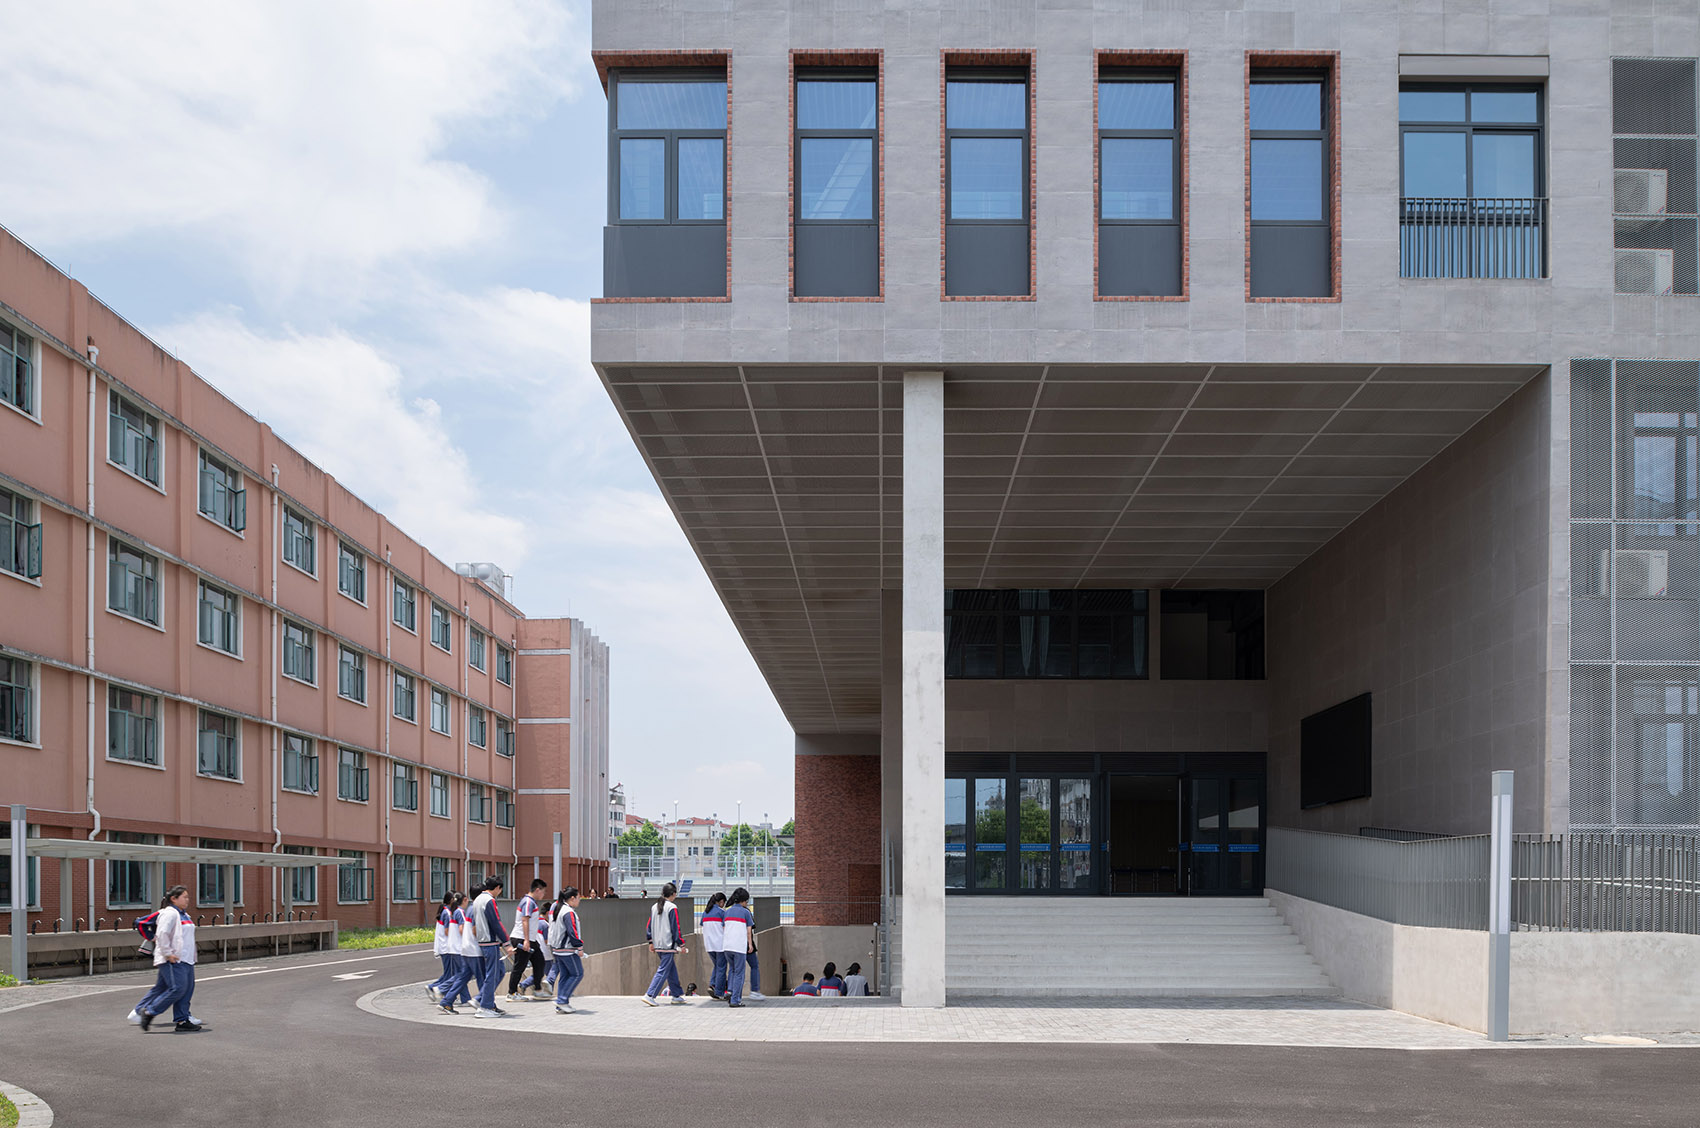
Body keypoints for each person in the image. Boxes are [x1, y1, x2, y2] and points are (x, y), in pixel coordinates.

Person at [137, 885, 200, 1033]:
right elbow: (163, 933)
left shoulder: (185, 915)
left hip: (187, 959)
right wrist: (167, 953)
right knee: (177, 989)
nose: (187, 900)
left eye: (188, 897)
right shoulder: (170, 913)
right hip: (173, 958)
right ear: (174, 899)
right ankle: (149, 1012)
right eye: (184, 897)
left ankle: (182, 1020)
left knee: (186, 990)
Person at [470, 876, 513, 1018]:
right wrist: (506, 943)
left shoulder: (477, 900)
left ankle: (484, 1000)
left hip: (484, 941)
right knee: (491, 975)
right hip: (490, 942)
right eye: (500, 890)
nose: (499, 892)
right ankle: (485, 1006)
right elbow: (496, 923)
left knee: (499, 971)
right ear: (497, 888)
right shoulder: (489, 901)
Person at [642, 882, 688, 1006]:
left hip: (658, 944)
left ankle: (676, 995)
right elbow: (676, 927)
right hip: (668, 944)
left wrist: (651, 941)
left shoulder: (654, 906)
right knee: (663, 971)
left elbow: (649, 926)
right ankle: (650, 994)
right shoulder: (672, 907)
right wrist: (681, 944)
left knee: (670, 969)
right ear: (673, 894)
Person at [508, 879, 549, 1002]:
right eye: (543, 891)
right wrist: (526, 940)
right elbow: (525, 920)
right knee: (519, 966)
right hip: (522, 938)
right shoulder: (528, 902)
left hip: (530, 939)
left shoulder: (531, 902)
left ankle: (537, 990)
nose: (543, 894)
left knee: (540, 962)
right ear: (537, 890)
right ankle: (512, 993)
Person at [546, 886, 585, 1014]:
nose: (579, 901)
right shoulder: (569, 912)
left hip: (557, 949)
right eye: (578, 898)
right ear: (572, 898)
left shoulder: (558, 908)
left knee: (565, 976)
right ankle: (562, 1000)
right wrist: (579, 947)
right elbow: (572, 932)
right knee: (577, 974)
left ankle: (562, 1004)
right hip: (568, 950)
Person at [721, 886, 755, 1008]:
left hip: (727, 947)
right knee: (739, 974)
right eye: (746, 901)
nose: (747, 904)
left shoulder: (727, 912)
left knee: (733, 970)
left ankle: (730, 991)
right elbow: (748, 931)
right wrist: (750, 945)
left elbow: (724, 928)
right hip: (739, 947)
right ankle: (735, 1000)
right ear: (743, 901)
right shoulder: (746, 912)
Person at [427, 891, 457, 1003]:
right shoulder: (447, 913)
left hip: (445, 947)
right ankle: (435, 988)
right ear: (451, 900)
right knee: (450, 974)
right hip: (447, 948)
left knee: (450, 973)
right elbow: (447, 931)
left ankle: (442, 991)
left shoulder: (445, 911)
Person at [700, 891, 727, 999]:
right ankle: (719, 991)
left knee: (717, 966)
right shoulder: (721, 912)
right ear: (721, 902)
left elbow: (702, 924)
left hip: (709, 945)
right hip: (720, 944)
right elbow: (725, 927)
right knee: (721, 968)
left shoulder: (705, 913)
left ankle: (713, 984)